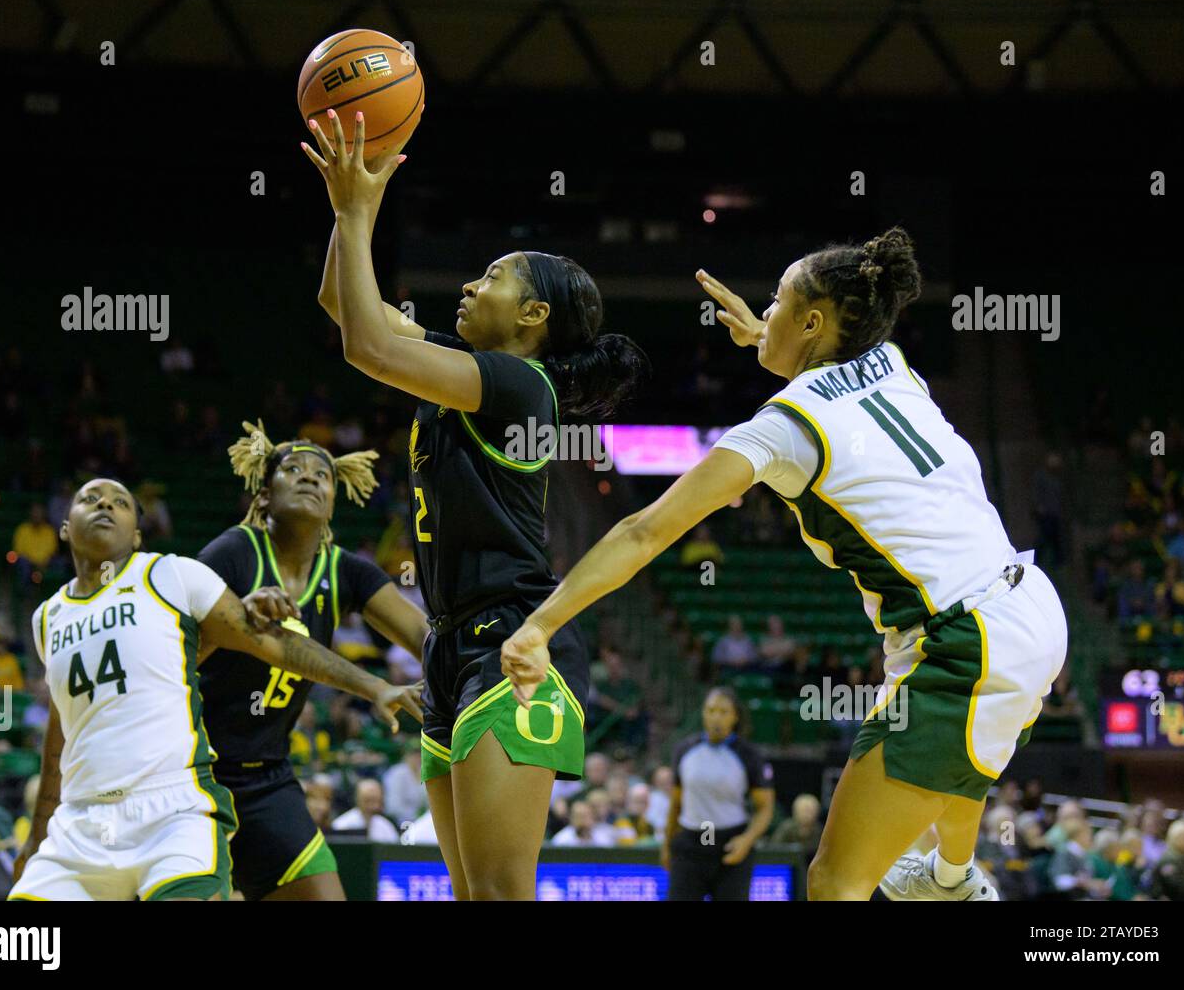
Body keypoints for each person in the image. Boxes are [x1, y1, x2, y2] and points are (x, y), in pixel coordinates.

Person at [502, 227, 1068, 901]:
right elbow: (833, 377)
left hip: (963, 641)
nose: (762, 311)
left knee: (834, 880)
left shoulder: (784, 426)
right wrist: (772, 342)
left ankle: (956, 883)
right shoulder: (891, 360)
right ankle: (953, 877)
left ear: (813, 320)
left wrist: (540, 623)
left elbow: (644, 530)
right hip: (1027, 604)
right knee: (955, 765)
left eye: (775, 302)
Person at [302, 109, 649, 900]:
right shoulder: (459, 367)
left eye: (492, 276)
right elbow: (339, 302)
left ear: (534, 316)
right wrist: (344, 205)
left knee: (499, 893)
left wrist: (361, 212)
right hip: (449, 646)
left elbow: (367, 346)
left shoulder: (522, 384)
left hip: (513, 641)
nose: (468, 282)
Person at [9, 477, 421, 901]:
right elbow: (61, 739)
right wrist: (37, 836)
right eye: (90, 499)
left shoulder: (170, 575)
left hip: (170, 814)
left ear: (135, 533)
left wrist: (374, 686)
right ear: (64, 525)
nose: (105, 506)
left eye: (120, 502)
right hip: (80, 824)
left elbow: (277, 643)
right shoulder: (47, 618)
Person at [197, 425, 429, 901]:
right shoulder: (233, 553)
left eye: (322, 475)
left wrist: (490, 662)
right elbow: (170, 647)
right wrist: (238, 618)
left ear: (331, 504)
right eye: (292, 469)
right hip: (192, 771)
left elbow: (426, 638)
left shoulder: (347, 570)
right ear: (263, 497)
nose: (309, 478)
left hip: (267, 777)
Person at [660, 688, 775, 900]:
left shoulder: (749, 755)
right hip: (690, 843)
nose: (716, 717)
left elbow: (765, 808)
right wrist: (667, 844)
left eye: (723, 711)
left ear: (735, 716)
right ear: (703, 713)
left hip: (730, 843)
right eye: (711, 710)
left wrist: (746, 840)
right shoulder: (684, 750)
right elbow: (676, 803)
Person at [331, 778, 399, 842]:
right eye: (369, 800)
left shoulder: (385, 825)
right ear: (358, 799)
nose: (373, 805)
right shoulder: (342, 825)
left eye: (376, 799)